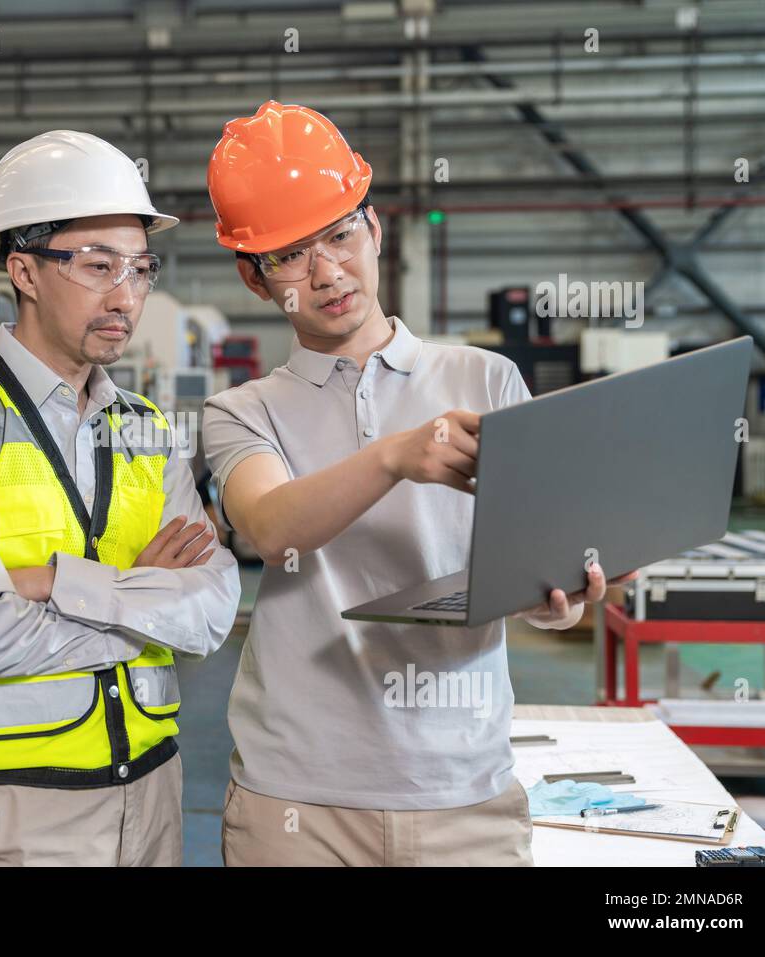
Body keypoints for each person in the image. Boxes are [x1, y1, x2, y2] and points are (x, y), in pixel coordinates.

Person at [201, 101, 632, 866]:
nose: (328, 273)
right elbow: (268, 524)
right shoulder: (242, 411)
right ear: (254, 277)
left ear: (375, 230)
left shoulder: (485, 377)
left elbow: (541, 574)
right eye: (292, 255)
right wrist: (394, 456)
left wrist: (558, 602)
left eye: (340, 235)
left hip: (462, 791)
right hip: (296, 802)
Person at [0, 130, 241, 866]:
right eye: (98, 266)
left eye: (141, 270)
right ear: (24, 271)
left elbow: (209, 612)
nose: (127, 296)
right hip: (20, 809)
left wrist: (59, 583)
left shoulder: (146, 428)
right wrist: (142, 608)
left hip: (154, 797)